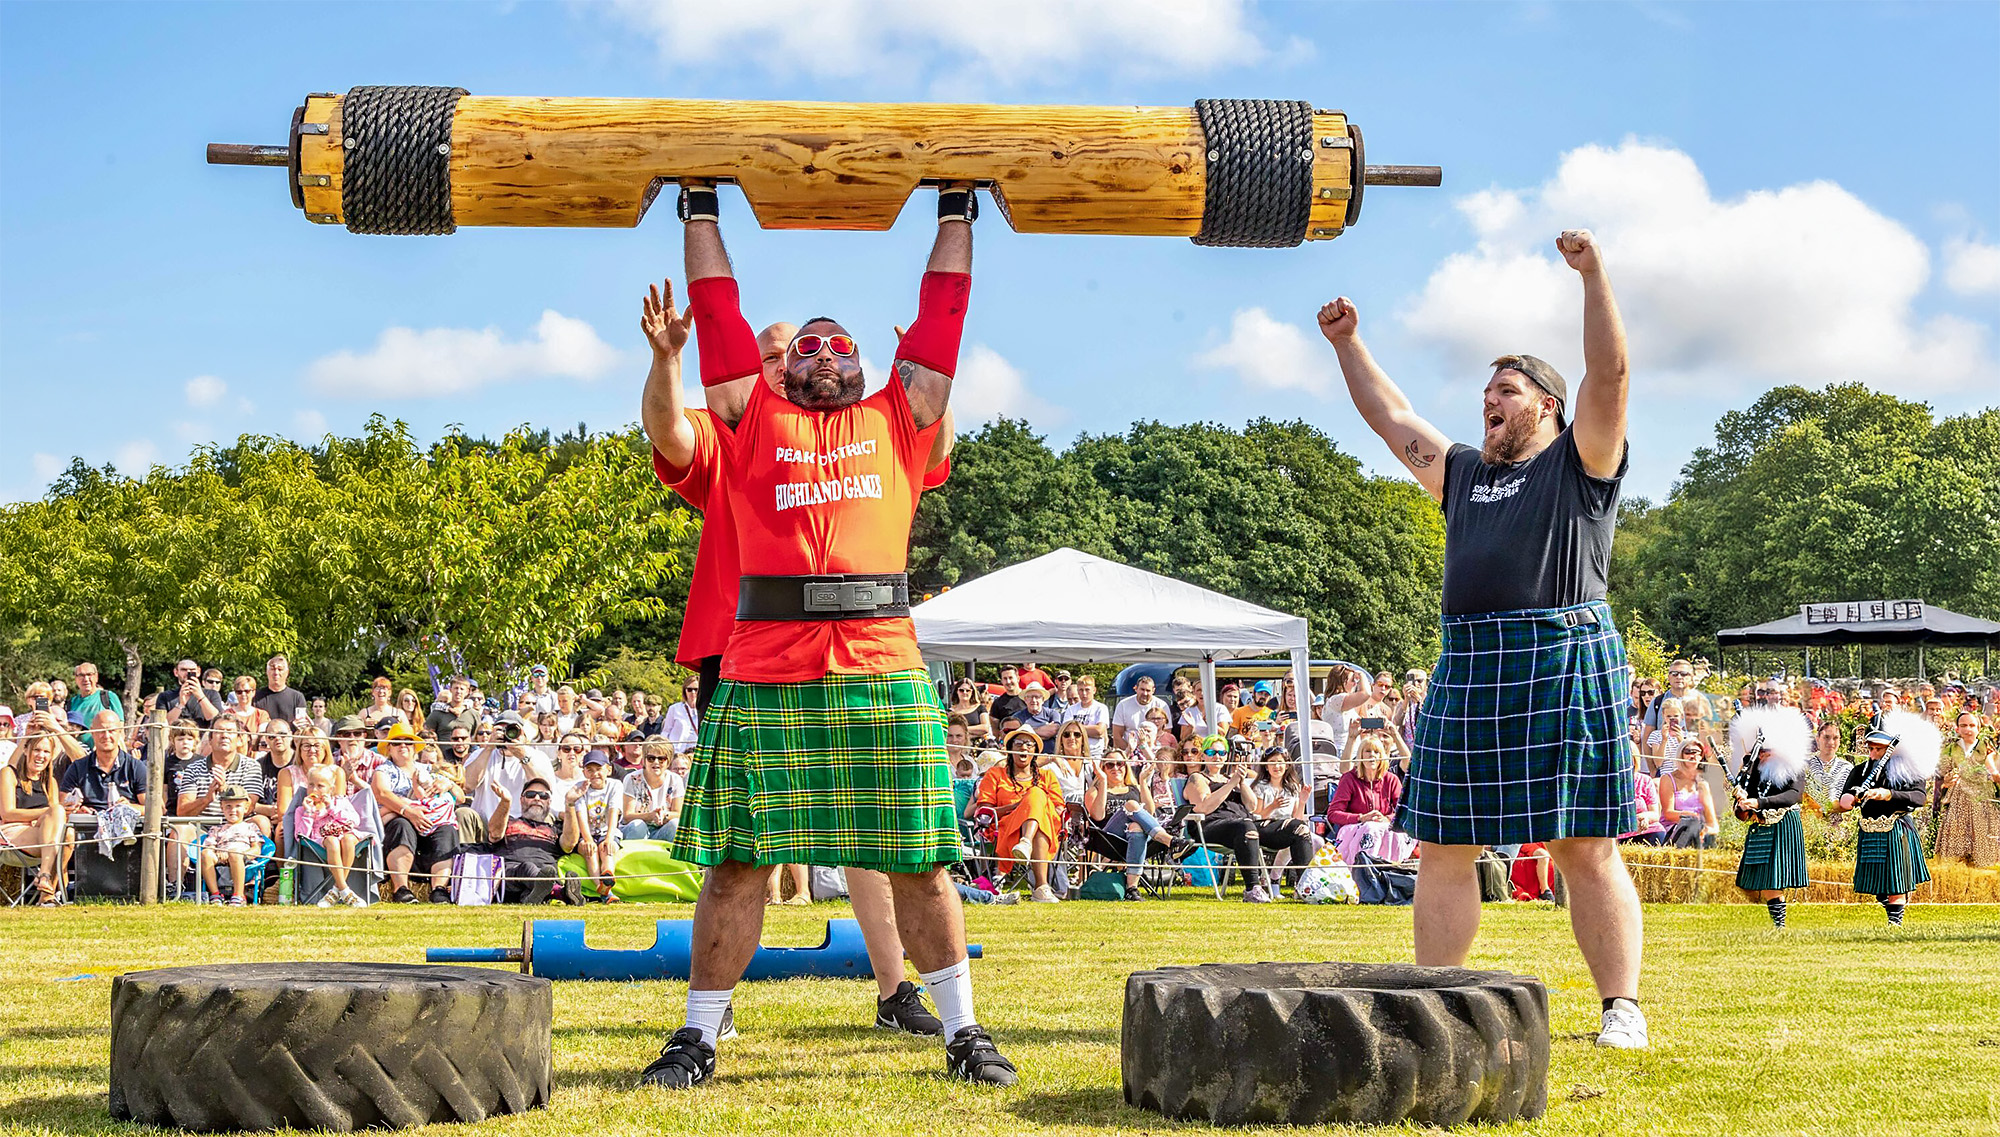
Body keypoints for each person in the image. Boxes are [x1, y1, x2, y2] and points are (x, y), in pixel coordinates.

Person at [637, 179, 1010, 1089]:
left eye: (842, 346)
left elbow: (944, 316)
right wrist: (699, 208)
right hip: (765, 665)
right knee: (736, 865)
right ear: (784, 371)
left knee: (921, 861)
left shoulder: (899, 420)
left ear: (867, 366)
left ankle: (963, 1032)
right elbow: (717, 311)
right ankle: (698, 1037)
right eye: (808, 347)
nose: (826, 355)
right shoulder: (750, 420)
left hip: (881, 662)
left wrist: (956, 210)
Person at [1321, 228, 1648, 1047]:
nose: (1488, 401)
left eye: (1506, 389)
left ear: (1546, 404)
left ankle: (1622, 1007)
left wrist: (1593, 273)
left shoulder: (1581, 461)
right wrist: (1348, 343)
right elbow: (1391, 417)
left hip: (1562, 653)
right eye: (1485, 392)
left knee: (1583, 844)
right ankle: (1436, 1000)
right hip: (1470, 660)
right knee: (1444, 843)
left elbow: (1611, 373)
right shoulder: (1464, 472)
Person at [1832, 715, 1939, 927]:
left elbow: (1919, 797)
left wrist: (1888, 794)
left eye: (1878, 749)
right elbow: (1846, 797)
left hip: (1896, 828)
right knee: (1879, 886)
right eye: (1870, 748)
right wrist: (1847, 800)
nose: (1872, 754)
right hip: (1870, 831)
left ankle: (1895, 926)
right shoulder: (1861, 770)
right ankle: (1893, 916)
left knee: (1896, 883)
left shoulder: (1909, 770)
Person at [1727, 708, 1812, 927]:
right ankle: (1777, 923)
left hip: (1783, 823)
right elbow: (1742, 810)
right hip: (1761, 826)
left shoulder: (1793, 766)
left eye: (1766, 750)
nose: (1762, 754)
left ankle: (1779, 925)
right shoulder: (1752, 768)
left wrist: (1759, 803)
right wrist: (1742, 804)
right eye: (1760, 750)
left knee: (1773, 878)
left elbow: (1794, 795)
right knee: (1764, 879)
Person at [372, 722, 458, 903]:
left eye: (408, 742)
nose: (403, 745)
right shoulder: (383, 770)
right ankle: (401, 888)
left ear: (414, 747)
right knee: (402, 825)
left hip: (431, 819)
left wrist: (448, 784)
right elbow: (381, 793)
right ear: (389, 748)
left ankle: (439, 889)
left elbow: (460, 796)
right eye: (397, 742)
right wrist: (408, 811)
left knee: (447, 830)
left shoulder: (428, 768)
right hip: (399, 819)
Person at [975, 732, 1065, 904]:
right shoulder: (995, 774)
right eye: (1018, 743)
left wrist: (1034, 807)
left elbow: (1059, 808)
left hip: (1044, 827)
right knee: (1036, 798)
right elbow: (985, 811)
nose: (1024, 747)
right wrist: (1019, 806)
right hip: (1006, 826)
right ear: (1009, 749)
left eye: (1029, 744)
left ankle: (1026, 841)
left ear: (1035, 751)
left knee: (1037, 796)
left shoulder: (1047, 776)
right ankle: (1041, 888)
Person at [1082, 750, 1179, 898]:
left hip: (1135, 838)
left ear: (1126, 766)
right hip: (1109, 839)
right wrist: (1103, 782)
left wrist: (1142, 782)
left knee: (1136, 827)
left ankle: (1132, 888)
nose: (1116, 768)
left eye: (1120, 764)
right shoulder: (1095, 791)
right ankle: (1170, 841)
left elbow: (1150, 813)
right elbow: (1098, 816)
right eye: (1110, 765)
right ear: (1103, 768)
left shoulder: (1135, 788)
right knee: (1131, 805)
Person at [1, 732, 70, 905]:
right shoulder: (9, 774)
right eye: (36, 750)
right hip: (10, 834)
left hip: (41, 836)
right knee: (60, 823)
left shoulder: (50, 782)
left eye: (46, 752)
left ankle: (46, 888)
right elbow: (7, 813)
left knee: (67, 833)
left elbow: (54, 819)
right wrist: (45, 812)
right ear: (25, 750)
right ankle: (47, 886)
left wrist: (61, 811)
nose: (41, 755)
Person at [487, 777, 579, 904]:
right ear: (521, 800)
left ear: (549, 802)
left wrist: (570, 804)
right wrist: (505, 802)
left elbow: (569, 844)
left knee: (538, 884)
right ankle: (559, 893)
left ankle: (535, 896)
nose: (537, 798)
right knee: (528, 867)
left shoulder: (554, 829)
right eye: (531, 794)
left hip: (545, 873)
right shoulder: (508, 822)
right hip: (511, 874)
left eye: (543, 796)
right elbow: (494, 833)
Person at [1325, 733, 1408, 865]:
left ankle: (1390, 868)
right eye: (1368, 751)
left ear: (1382, 756)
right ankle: (1364, 869)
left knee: (1392, 831)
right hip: (1355, 829)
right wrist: (1361, 818)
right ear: (1361, 755)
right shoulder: (1349, 779)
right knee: (1371, 828)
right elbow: (1333, 814)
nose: (1372, 755)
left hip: (1385, 828)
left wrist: (1386, 818)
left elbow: (1404, 810)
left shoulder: (1391, 779)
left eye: (1376, 752)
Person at [1932, 710, 1998, 868]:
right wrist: (1947, 780)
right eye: (1963, 725)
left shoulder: (1986, 747)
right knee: (1956, 831)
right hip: (1957, 797)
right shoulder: (1951, 748)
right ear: (1957, 729)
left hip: (1981, 796)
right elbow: (1942, 773)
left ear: (1978, 728)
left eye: (1972, 725)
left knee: (1981, 830)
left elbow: (1993, 770)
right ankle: (1956, 863)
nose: (1968, 729)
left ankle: (1981, 861)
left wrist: (1991, 775)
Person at [296, 765, 365, 907]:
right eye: (311, 785)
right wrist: (308, 813)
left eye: (320, 786)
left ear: (330, 789)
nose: (314, 790)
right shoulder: (302, 810)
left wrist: (330, 808)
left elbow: (354, 821)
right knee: (332, 841)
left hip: (345, 836)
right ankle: (344, 890)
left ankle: (335, 890)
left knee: (348, 839)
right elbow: (301, 836)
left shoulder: (340, 802)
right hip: (322, 841)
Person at [574, 753, 624, 901]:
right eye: (590, 770)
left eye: (598, 769)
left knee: (606, 849)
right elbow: (581, 815)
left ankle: (607, 874)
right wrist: (588, 840)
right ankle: (603, 889)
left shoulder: (615, 785)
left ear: (608, 770)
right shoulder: (580, 788)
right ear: (584, 772)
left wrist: (609, 837)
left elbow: (614, 811)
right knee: (590, 851)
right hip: (587, 833)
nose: (594, 773)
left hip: (607, 831)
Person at [622, 739, 685, 842]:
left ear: (668, 761)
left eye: (661, 759)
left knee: (675, 824)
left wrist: (665, 815)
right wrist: (650, 816)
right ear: (644, 760)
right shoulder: (632, 778)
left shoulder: (675, 780)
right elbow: (627, 816)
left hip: (662, 829)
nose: (656, 762)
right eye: (651, 758)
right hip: (636, 830)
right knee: (638, 825)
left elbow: (679, 813)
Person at [1658, 745, 1717, 848]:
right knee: (1691, 824)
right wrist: (1690, 816)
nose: (1692, 755)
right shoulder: (1668, 779)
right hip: (1675, 828)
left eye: (1696, 752)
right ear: (1681, 755)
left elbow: (1711, 820)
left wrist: (1709, 830)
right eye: (1688, 751)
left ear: (1701, 756)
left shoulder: (1703, 784)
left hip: (1698, 828)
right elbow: (1668, 814)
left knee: (1706, 832)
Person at [158, 659, 225, 729]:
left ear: (198, 672)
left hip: (203, 735)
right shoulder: (165, 696)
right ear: (176, 672)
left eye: (192, 670)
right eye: (184, 670)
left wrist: (200, 696)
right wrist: (181, 704)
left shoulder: (212, 694)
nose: (188, 673)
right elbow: (164, 723)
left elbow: (215, 719)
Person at [1111, 675, 1168, 752]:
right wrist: (1132, 752)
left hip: (1154, 752)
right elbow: (1117, 736)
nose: (1145, 693)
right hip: (1128, 750)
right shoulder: (1123, 705)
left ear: (1153, 690)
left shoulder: (1162, 705)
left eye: (1148, 690)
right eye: (1142, 689)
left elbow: (1166, 733)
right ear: (1136, 688)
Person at [251, 654, 308, 727]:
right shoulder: (255, 697)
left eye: (280, 669)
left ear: (287, 672)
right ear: (267, 672)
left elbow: (301, 725)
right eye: (272, 669)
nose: (276, 673)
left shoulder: (297, 697)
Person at [67, 662, 123, 726]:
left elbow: (120, 726)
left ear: (96, 677)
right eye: (81, 675)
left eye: (89, 674)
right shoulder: (72, 703)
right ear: (76, 679)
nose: (86, 679)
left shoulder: (108, 697)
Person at [948, 678, 991, 743]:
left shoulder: (980, 708)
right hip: (956, 745)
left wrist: (962, 730)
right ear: (957, 691)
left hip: (977, 746)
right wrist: (976, 732)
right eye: (961, 690)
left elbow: (985, 728)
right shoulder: (950, 712)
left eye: (968, 690)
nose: (964, 692)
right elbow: (948, 731)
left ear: (972, 692)